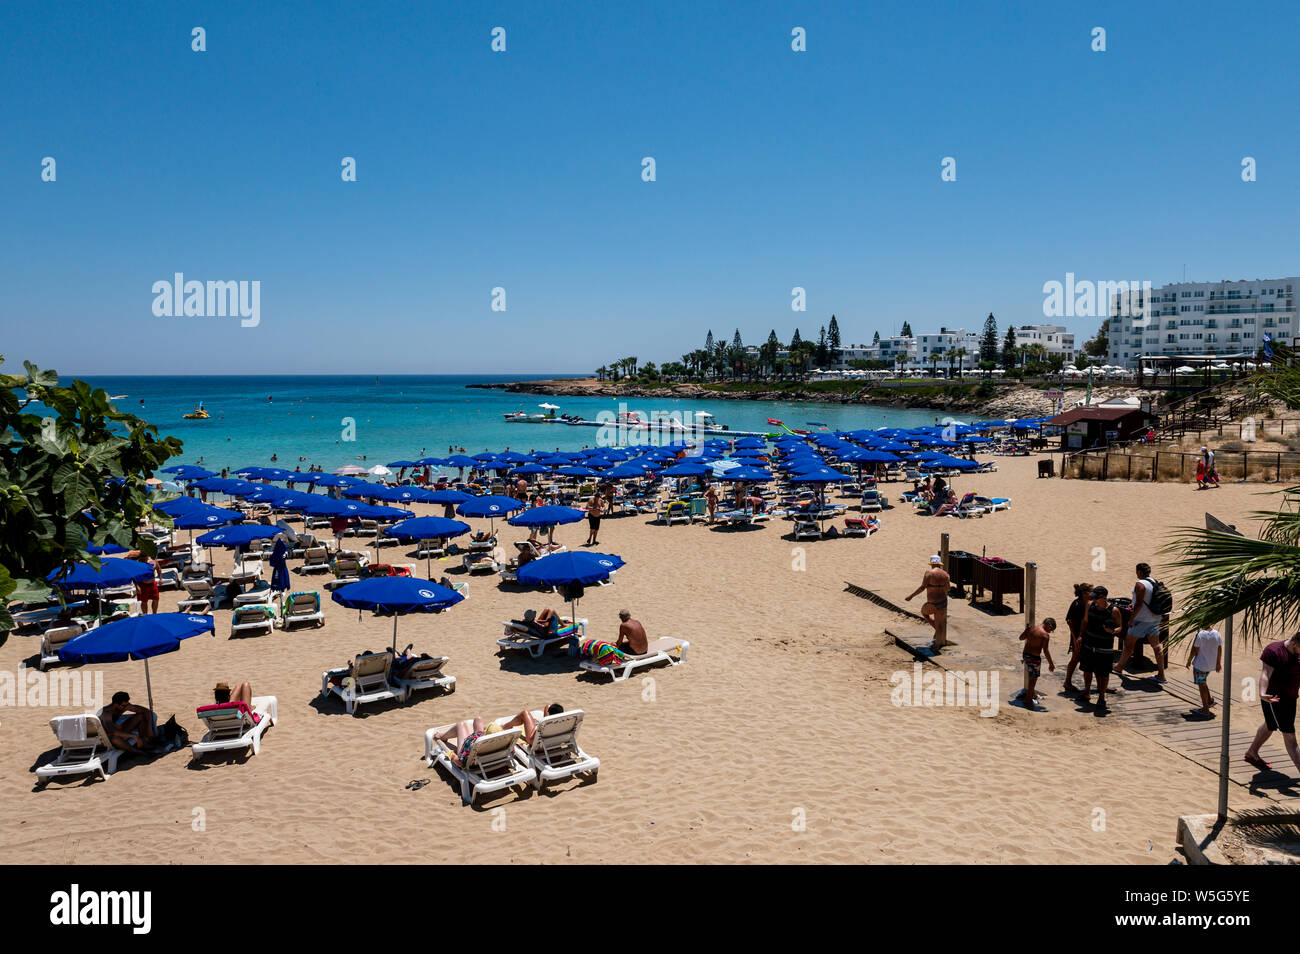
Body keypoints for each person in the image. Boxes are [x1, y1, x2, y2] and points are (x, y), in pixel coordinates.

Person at [1244, 633, 1300, 775]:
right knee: (1290, 738)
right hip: (1274, 698)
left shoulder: (1297, 652)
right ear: (1294, 644)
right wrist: (1262, 693)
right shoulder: (1274, 651)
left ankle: (1252, 752)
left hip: (1291, 697)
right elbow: (1265, 673)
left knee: (1270, 724)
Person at [1113, 563, 1167, 682]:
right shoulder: (1155, 582)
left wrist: (1131, 619)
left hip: (1141, 620)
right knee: (1157, 647)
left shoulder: (1140, 584)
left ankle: (1119, 667)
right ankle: (1161, 675)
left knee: (1128, 644)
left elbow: (1138, 604)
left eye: (1137, 571)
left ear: (1140, 572)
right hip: (1155, 619)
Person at [1079, 586, 1123, 712]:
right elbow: (1085, 621)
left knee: (1103, 673)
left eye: (1096, 597)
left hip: (1105, 647)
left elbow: (1120, 627)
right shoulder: (1090, 605)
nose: (1094, 599)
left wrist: (1113, 631)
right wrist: (1080, 636)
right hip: (1089, 643)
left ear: (1104, 597)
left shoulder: (1113, 610)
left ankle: (1102, 697)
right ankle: (1087, 692)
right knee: (1087, 670)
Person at [905, 555, 951, 651]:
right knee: (939, 625)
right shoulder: (946, 574)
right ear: (939, 564)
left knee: (924, 613)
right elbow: (948, 588)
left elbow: (922, 587)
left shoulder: (929, 573)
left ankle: (936, 630)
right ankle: (937, 645)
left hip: (932, 603)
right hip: (943, 602)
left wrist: (911, 596)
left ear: (932, 564)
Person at [1016, 618, 1057, 710]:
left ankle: (1033, 695)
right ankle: (1027, 700)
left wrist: (1026, 630)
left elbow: (1021, 638)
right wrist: (1051, 664)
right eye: (1051, 630)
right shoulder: (1045, 635)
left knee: (1031, 675)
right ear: (1049, 626)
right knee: (1033, 680)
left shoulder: (1032, 628)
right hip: (1034, 658)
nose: (1050, 632)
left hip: (1026, 655)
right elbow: (1045, 651)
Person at [1186, 626, 1223, 717]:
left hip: (1200, 665)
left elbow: (1195, 650)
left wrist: (1189, 660)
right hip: (1211, 664)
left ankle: (1205, 709)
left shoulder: (1200, 635)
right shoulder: (1217, 633)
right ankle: (1209, 701)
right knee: (1203, 682)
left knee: (1201, 685)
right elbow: (1219, 649)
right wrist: (1218, 663)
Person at [1062, 582, 1092, 693]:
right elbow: (1071, 623)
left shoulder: (1090, 603)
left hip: (1088, 635)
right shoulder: (1077, 604)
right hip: (1078, 635)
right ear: (1085, 593)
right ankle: (1067, 682)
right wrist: (1075, 639)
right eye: (1091, 591)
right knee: (1075, 659)